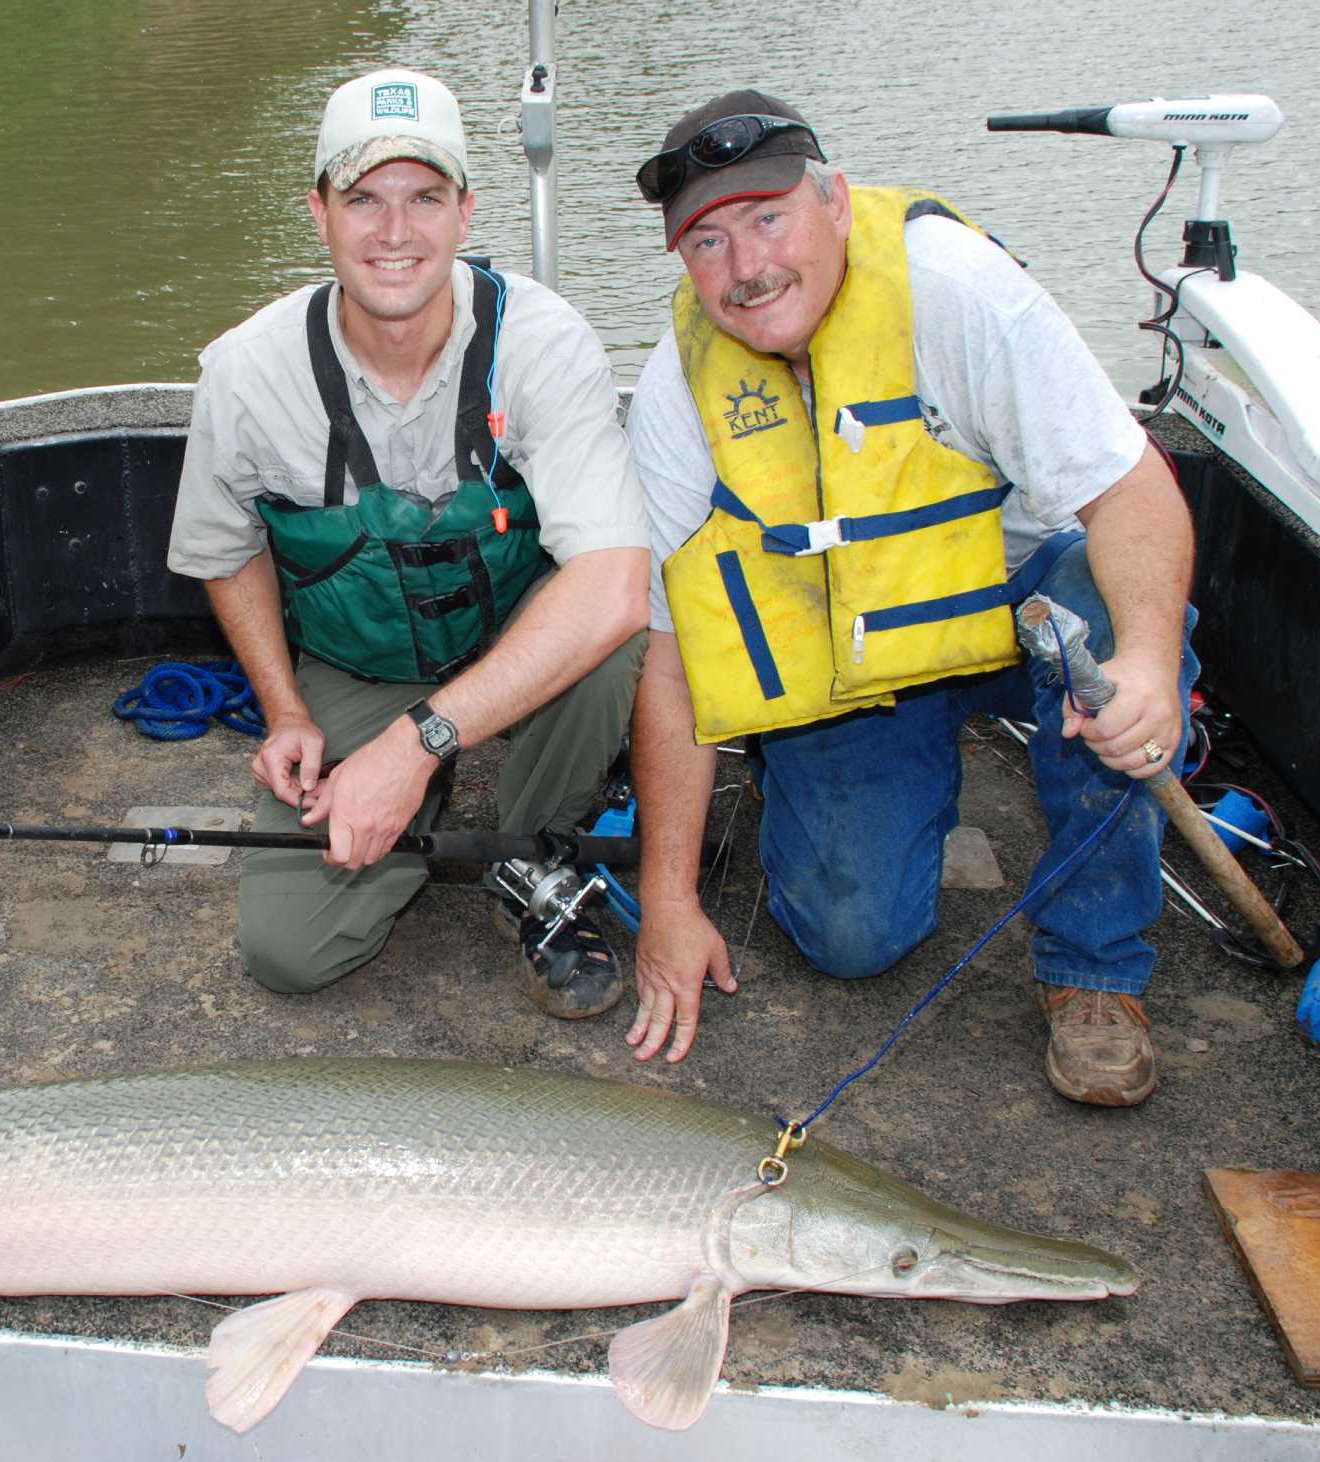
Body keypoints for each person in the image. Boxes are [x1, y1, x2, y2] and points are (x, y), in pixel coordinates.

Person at [623, 90, 1198, 1105]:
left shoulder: (957, 291)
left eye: (766, 218)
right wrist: (666, 897)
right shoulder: (677, 386)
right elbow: (673, 655)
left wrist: (1148, 661)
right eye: (706, 243)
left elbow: (1130, 492)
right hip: (855, 651)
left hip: (1020, 599)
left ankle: (1093, 969)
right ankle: (878, 790)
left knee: (1112, 629)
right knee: (849, 937)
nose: (746, 267)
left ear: (835, 201)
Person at [166, 68, 650, 1019]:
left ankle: (534, 855)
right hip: (364, 660)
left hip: (521, 645)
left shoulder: (546, 345)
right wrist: (286, 713)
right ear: (319, 213)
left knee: (621, 629)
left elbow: (612, 586)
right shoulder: (244, 373)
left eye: (425, 198)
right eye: (364, 200)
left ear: (466, 211)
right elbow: (225, 552)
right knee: (287, 951)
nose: (396, 233)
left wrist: (418, 744)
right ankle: (412, 808)